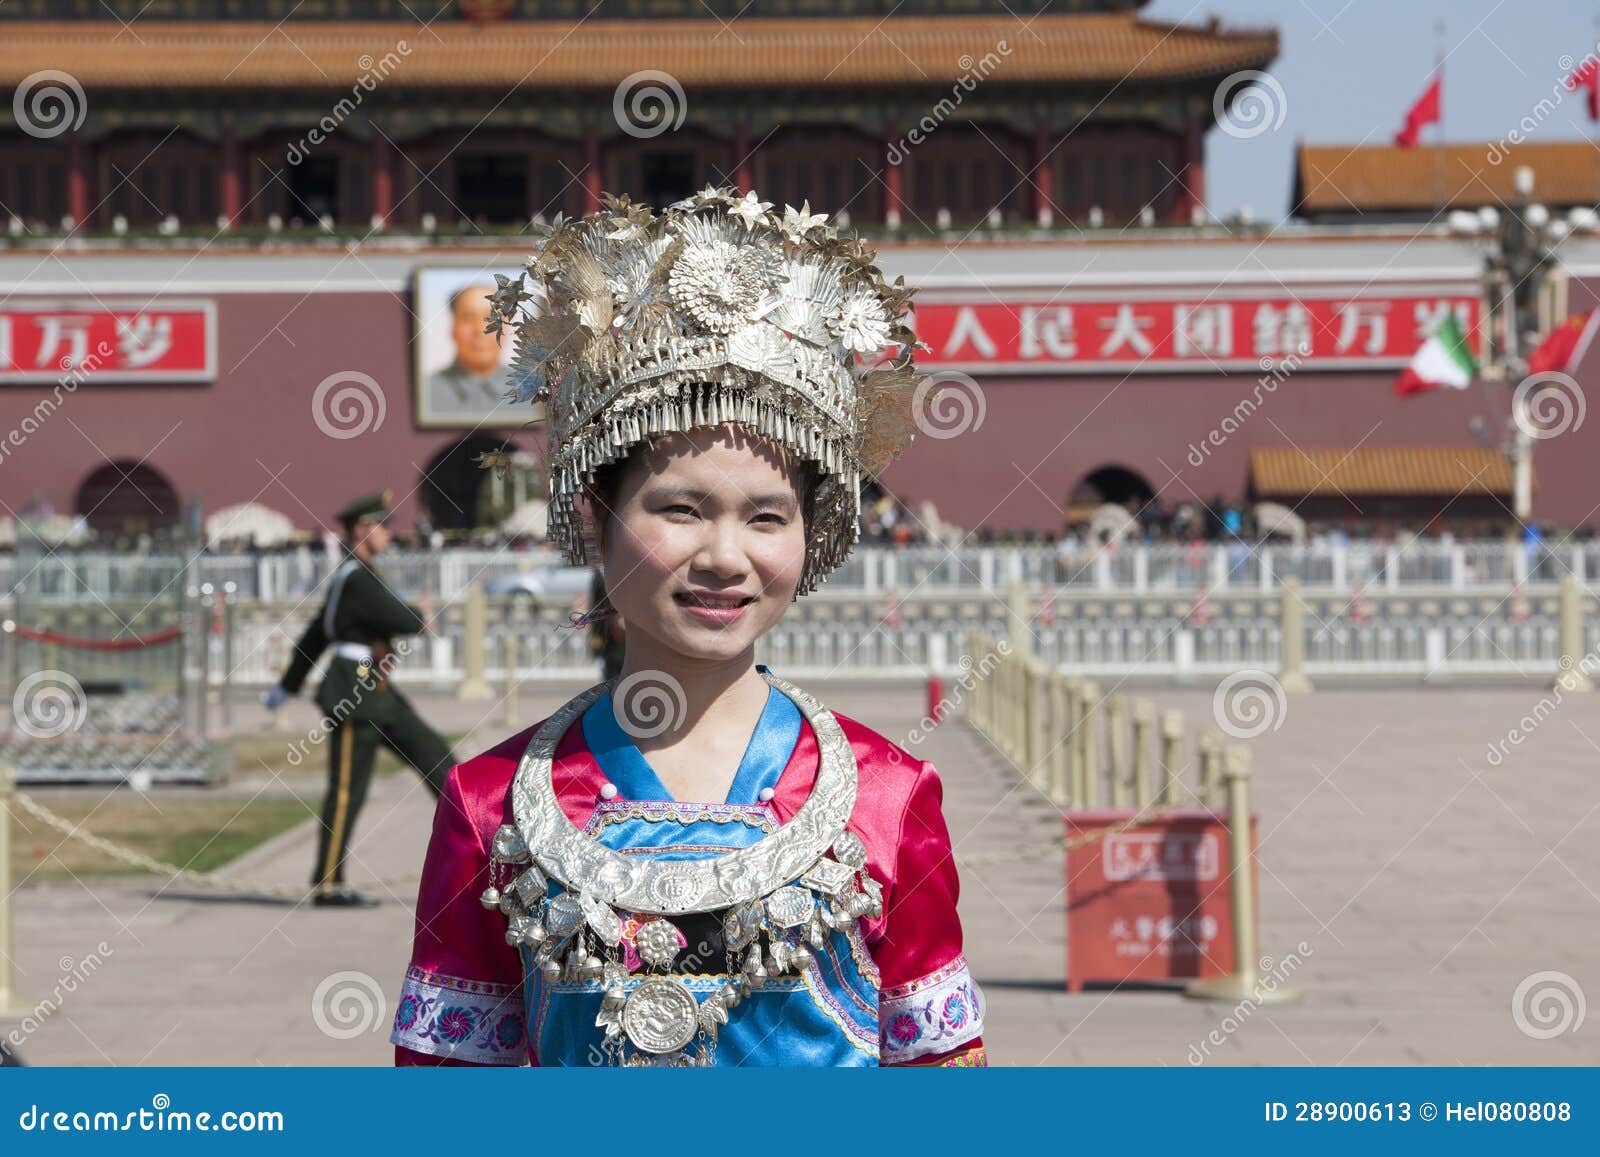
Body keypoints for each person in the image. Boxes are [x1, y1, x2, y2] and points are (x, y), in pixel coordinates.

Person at [391, 186, 986, 1067]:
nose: (724, 555)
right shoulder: (490, 807)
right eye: (680, 508)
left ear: (811, 531)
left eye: (766, 517)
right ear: (595, 519)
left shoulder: (890, 800)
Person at [263, 490, 457, 908]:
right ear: (361, 530)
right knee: (348, 791)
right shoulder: (356, 579)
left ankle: (473, 860)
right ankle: (328, 884)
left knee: (439, 762)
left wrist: (289, 685)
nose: (390, 532)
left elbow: (317, 633)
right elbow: (397, 620)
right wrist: (420, 618)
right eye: (383, 525)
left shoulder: (359, 575)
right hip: (354, 692)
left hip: (375, 689)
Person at [424, 282, 511, 417]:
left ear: (506, 329)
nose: (481, 330)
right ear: (453, 329)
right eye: (468, 318)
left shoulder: (532, 392)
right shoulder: (425, 391)